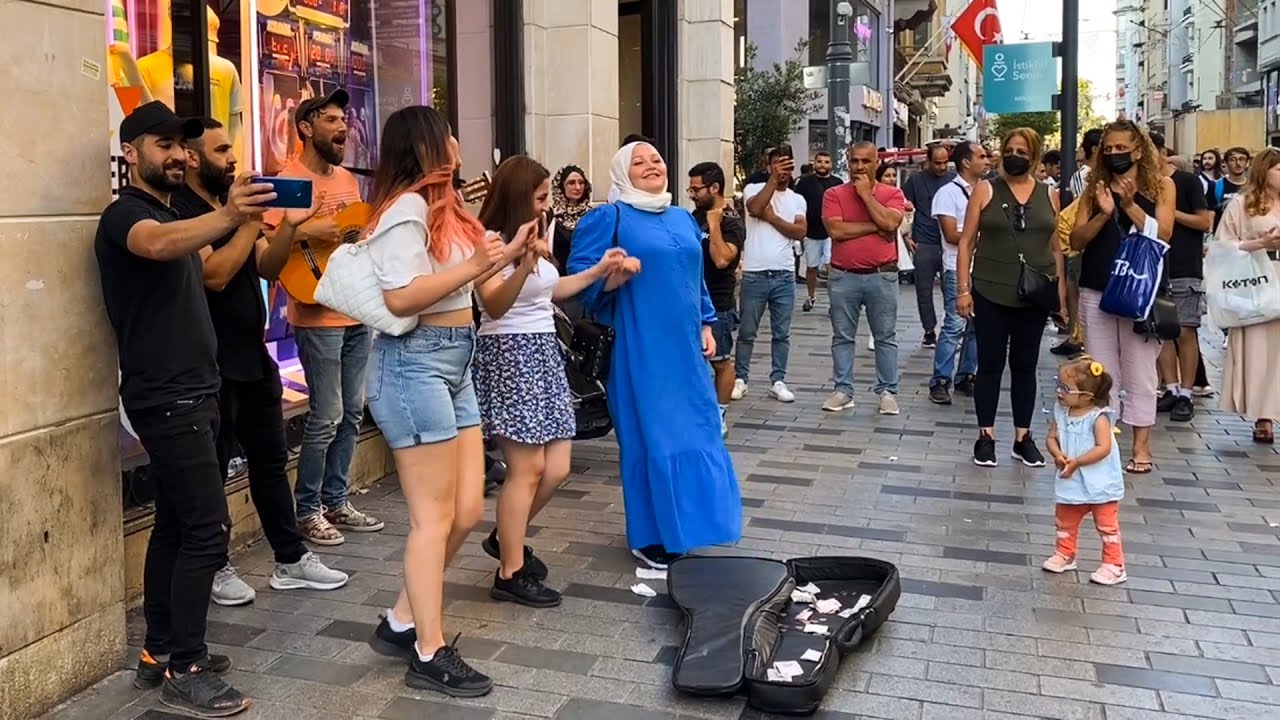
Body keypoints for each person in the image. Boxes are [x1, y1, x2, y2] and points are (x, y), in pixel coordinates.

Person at [96, 100, 267, 715]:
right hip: (167, 398)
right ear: (130, 153)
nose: (177, 155)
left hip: (197, 390)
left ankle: (160, 650)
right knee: (206, 528)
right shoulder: (127, 215)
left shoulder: (173, 213)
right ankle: (185, 669)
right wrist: (229, 213)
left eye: (182, 146)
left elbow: (208, 267)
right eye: (162, 144)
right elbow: (158, 245)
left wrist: (244, 222)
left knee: (174, 524)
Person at [360, 106, 521, 697]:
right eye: (449, 134)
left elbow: (487, 296)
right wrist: (477, 262)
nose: (457, 143)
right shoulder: (403, 209)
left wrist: (513, 255)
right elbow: (401, 298)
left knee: (469, 510)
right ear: (428, 144)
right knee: (432, 518)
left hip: (455, 361)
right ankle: (429, 649)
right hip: (414, 362)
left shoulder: (448, 209)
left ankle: (402, 620)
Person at [173, 118, 348, 606]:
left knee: (270, 462)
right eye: (221, 150)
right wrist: (248, 221)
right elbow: (214, 275)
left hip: (253, 356)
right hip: (211, 363)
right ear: (192, 158)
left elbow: (267, 266)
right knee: (212, 472)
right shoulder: (185, 212)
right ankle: (215, 564)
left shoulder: (230, 208)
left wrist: (288, 226)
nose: (233, 159)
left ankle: (290, 559)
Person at [568, 141, 742, 570]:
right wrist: (614, 276)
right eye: (638, 162)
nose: (651, 166)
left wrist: (706, 323)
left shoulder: (682, 217)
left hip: (686, 348)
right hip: (639, 345)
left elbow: (695, 277)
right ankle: (651, 536)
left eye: (657, 159)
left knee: (700, 431)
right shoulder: (609, 217)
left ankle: (691, 526)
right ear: (622, 172)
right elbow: (580, 281)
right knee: (652, 438)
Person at [472, 155, 626, 608]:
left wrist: (597, 271)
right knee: (526, 470)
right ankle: (510, 572)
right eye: (540, 197)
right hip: (510, 353)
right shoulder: (490, 241)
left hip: (544, 352)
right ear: (518, 196)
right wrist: (521, 261)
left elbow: (549, 291)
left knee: (556, 468)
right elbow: (493, 304)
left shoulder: (535, 234)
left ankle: (507, 537)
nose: (545, 205)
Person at [263, 88, 383, 544]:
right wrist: (313, 228)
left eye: (343, 120)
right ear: (305, 127)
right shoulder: (286, 180)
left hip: (354, 308)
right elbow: (268, 244)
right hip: (316, 312)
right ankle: (307, 509)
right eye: (331, 119)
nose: (342, 127)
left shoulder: (349, 180)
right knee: (326, 414)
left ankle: (336, 499)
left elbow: (351, 239)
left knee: (352, 412)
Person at [1068, 120, 1176, 475]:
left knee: (1140, 371)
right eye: (1109, 148)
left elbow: (1163, 234)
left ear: (1138, 151)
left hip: (1140, 292)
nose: (1114, 154)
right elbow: (1076, 241)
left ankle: (1141, 447)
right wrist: (1104, 214)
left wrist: (1130, 206)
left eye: (1121, 148)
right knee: (1100, 372)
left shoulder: (1162, 186)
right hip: (1096, 287)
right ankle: (1105, 444)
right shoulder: (1094, 188)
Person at [957, 127, 1065, 468]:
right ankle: (985, 436)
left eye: (1022, 151)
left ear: (1034, 156)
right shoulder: (985, 189)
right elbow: (966, 241)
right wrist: (963, 289)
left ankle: (1023, 437)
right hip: (989, 288)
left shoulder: (1049, 194)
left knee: (1025, 365)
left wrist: (1060, 295)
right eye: (1009, 150)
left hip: (1034, 292)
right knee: (989, 364)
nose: (1014, 156)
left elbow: (1055, 247)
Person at [820, 141, 907, 415]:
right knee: (842, 336)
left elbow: (891, 224)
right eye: (854, 161)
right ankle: (843, 390)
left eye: (866, 161)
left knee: (885, 336)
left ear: (876, 163)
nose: (859, 166)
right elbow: (837, 231)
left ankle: (887, 391)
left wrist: (867, 196)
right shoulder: (834, 194)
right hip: (844, 276)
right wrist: (874, 226)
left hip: (882, 276)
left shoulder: (893, 193)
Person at [1212, 147, 1280, 444]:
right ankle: (1264, 414)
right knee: (1262, 351)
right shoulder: (1242, 205)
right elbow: (1220, 247)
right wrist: (1260, 243)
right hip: (1258, 283)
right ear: (1264, 172)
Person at [1043, 357, 1127, 586]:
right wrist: (1057, 454)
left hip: (1100, 482)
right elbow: (1051, 438)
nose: (1059, 392)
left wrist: (1078, 461)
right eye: (1058, 385)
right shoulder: (1061, 412)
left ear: (1087, 396)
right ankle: (1065, 553)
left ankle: (1114, 564)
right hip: (1071, 479)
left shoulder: (1099, 418)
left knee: (1107, 525)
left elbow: (1103, 448)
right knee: (1065, 521)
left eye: (1065, 388)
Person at [735, 145, 807, 403]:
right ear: (768, 166)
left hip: (784, 274)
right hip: (754, 273)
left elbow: (800, 232)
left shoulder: (797, 199)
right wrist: (772, 181)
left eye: (787, 164)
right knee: (747, 331)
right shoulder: (753, 189)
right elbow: (755, 208)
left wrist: (772, 218)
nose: (782, 169)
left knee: (781, 333)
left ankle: (778, 380)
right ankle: (741, 379)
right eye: (777, 163)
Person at [1151, 134, 1213, 423]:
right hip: (1155, 265)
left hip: (1185, 265)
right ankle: (1171, 388)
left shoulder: (1187, 181)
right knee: (1162, 330)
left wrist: (1169, 212)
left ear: (1163, 152)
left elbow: (1204, 221)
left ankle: (1187, 393)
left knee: (1186, 331)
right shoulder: (1143, 184)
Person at [688, 161, 745, 437]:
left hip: (718, 304)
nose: (692, 194)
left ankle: (719, 415)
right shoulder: (693, 216)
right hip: (691, 302)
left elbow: (722, 259)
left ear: (714, 188)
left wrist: (714, 225)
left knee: (720, 361)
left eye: (696, 189)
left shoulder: (732, 221)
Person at [928, 140, 986, 404]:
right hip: (956, 268)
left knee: (977, 326)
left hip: (983, 268)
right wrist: (985, 238)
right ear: (966, 162)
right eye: (981, 156)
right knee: (954, 324)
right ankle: (940, 380)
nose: (987, 161)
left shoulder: (986, 190)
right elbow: (951, 234)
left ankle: (966, 376)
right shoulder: (947, 193)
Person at [903, 144, 956, 349]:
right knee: (923, 289)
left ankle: (951, 327)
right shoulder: (915, 181)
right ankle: (929, 330)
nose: (942, 167)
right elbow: (904, 208)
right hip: (924, 241)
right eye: (937, 163)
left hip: (950, 242)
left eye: (945, 163)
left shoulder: (953, 179)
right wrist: (906, 236)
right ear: (928, 161)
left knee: (951, 288)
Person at [793, 151, 843, 311]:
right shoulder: (804, 183)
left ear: (831, 164)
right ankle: (811, 296)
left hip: (831, 233)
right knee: (811, 267)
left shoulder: (838, 183)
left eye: (826, 162)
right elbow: (796, 205)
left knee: (831, 267)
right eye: (819, 161)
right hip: (811, 232)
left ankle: (834, 301)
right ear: (814, 163)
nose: (823, 165)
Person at [549, 163, 592, 271]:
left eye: (581, 183)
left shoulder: (592, 215)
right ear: (561, 186)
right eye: (571, 183)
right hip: (558, 275)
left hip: (586, 273)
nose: (578, 187)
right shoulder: (552, 216)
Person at [1208, 147, 1250, 232]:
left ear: (1247, 163)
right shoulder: (1216, 186)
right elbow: (1210, 212)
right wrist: (1210, 232)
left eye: (1242, 159)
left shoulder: (1254, 186)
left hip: (1248, 233)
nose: (1238, 163)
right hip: (1222, 234)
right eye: (1233, 160)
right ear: (1226, 163)